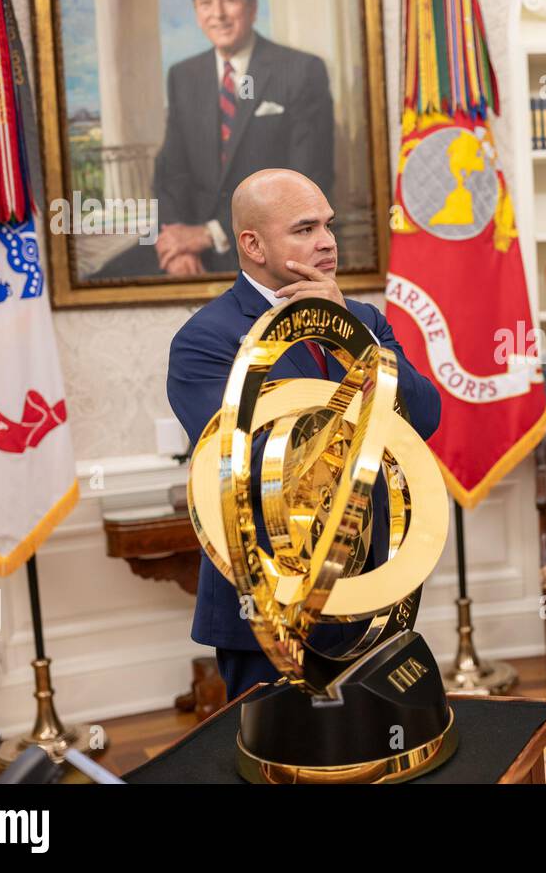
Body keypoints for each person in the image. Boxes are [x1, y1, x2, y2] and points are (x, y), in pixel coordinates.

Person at [167, 168, 440, 700]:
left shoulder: (364, 320)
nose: (327, 243)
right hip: (270, 601)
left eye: (328, 226)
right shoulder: (206, 340)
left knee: (378, 751)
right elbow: (246, 462)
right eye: (305, 229)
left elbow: (423, 417)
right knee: (281, 763)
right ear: (252, 243)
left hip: (371, 586)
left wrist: (352, 338)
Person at [96, 0, 335, 279]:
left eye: (229, 0)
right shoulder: (183, 76)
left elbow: (310, 175)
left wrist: (212, 233)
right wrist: (176, 240)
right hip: (188, 239)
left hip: (266, 244)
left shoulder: (300, 71)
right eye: (205, 3)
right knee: (104, 279)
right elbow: (170, 173)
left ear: (251, 6)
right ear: (196, 11)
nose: (218, 14)